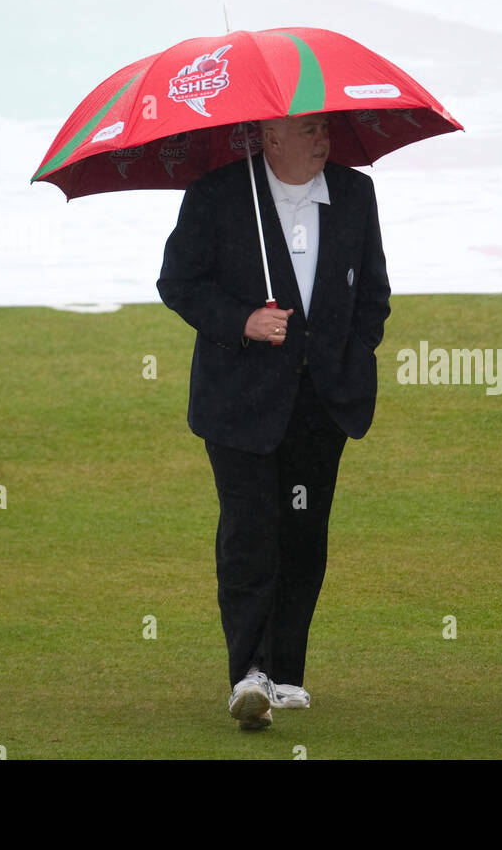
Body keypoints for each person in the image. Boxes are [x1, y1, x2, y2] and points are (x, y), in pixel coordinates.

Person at [157, 112, 390, 730]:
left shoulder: (355, 193)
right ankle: (249, 673)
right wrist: (243, 322)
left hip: (322, 404)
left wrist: (346, 354)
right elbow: (177, 282)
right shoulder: (217, 193)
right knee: (250, 532)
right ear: (270, 137)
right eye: (310, 130)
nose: (324, 140)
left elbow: (374, 296)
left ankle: (287, 672)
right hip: (238, 403)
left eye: (325, 130)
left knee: (304, 535)